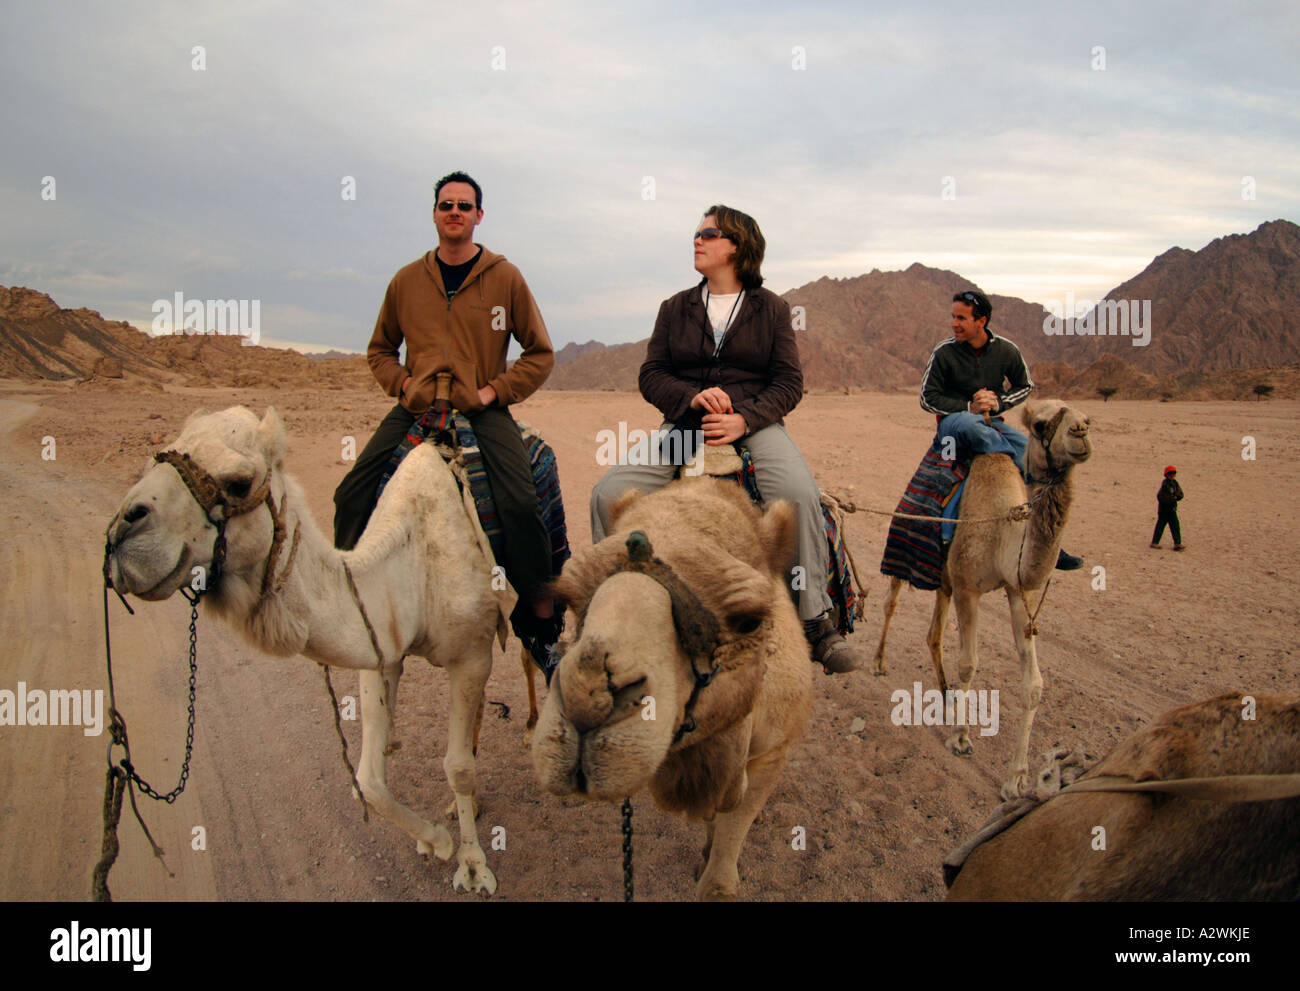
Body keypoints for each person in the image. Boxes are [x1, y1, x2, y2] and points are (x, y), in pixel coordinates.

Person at [589, 205, 868, 673]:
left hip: (753, 426)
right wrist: (692, 398)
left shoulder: (772, 309)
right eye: (697, 233)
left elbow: (788, 383)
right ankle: (619, 610)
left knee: (798, 496)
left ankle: (814, 617)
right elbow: (651, 374)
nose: (696, 240)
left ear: (737, 245)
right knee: (609, 493)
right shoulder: (674, 308)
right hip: (684, 428)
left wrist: (745, 420)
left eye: (708, 234)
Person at [332, 171, 561, 669]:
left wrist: (493, 390)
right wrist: (402, 385)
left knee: (521, 503)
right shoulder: (407, 281)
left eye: (464, 205)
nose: (454, 212)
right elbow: (379, 350)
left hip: (481, 411)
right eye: (445, 204)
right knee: (351, 492)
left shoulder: (505, 277)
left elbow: (539, 354)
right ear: (434, 214)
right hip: (416, 407)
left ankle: (540, 618)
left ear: (479, 216)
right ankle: (349, 603)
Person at [920, 289, 1083, 570]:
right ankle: (945, 535)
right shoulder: (944, 352)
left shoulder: (1006, 350)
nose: (954, 324)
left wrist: (997, 404)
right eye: (953, 317)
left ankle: (1046, 541)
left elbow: (1025, 386)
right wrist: (967, 405)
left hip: (991, 424)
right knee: (973, 427)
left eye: (961, 318)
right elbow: (927, 397)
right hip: (952, 425)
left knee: (1028, 451)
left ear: (981, 321)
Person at [1150, 466, 1185, 550]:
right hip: (1164, 510)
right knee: (1161, 526)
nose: (1172, 475)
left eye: (1173, 473)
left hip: (1172, 509)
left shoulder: (1175, 483)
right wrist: (1173, 498)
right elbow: (1161, 497)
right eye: (1170, 474)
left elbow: (1180, 494)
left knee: (1175, 526)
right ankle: (1155, 542)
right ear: (1167, 475)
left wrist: (1177, 497)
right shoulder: (1165, 484)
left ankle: (1177, 543)